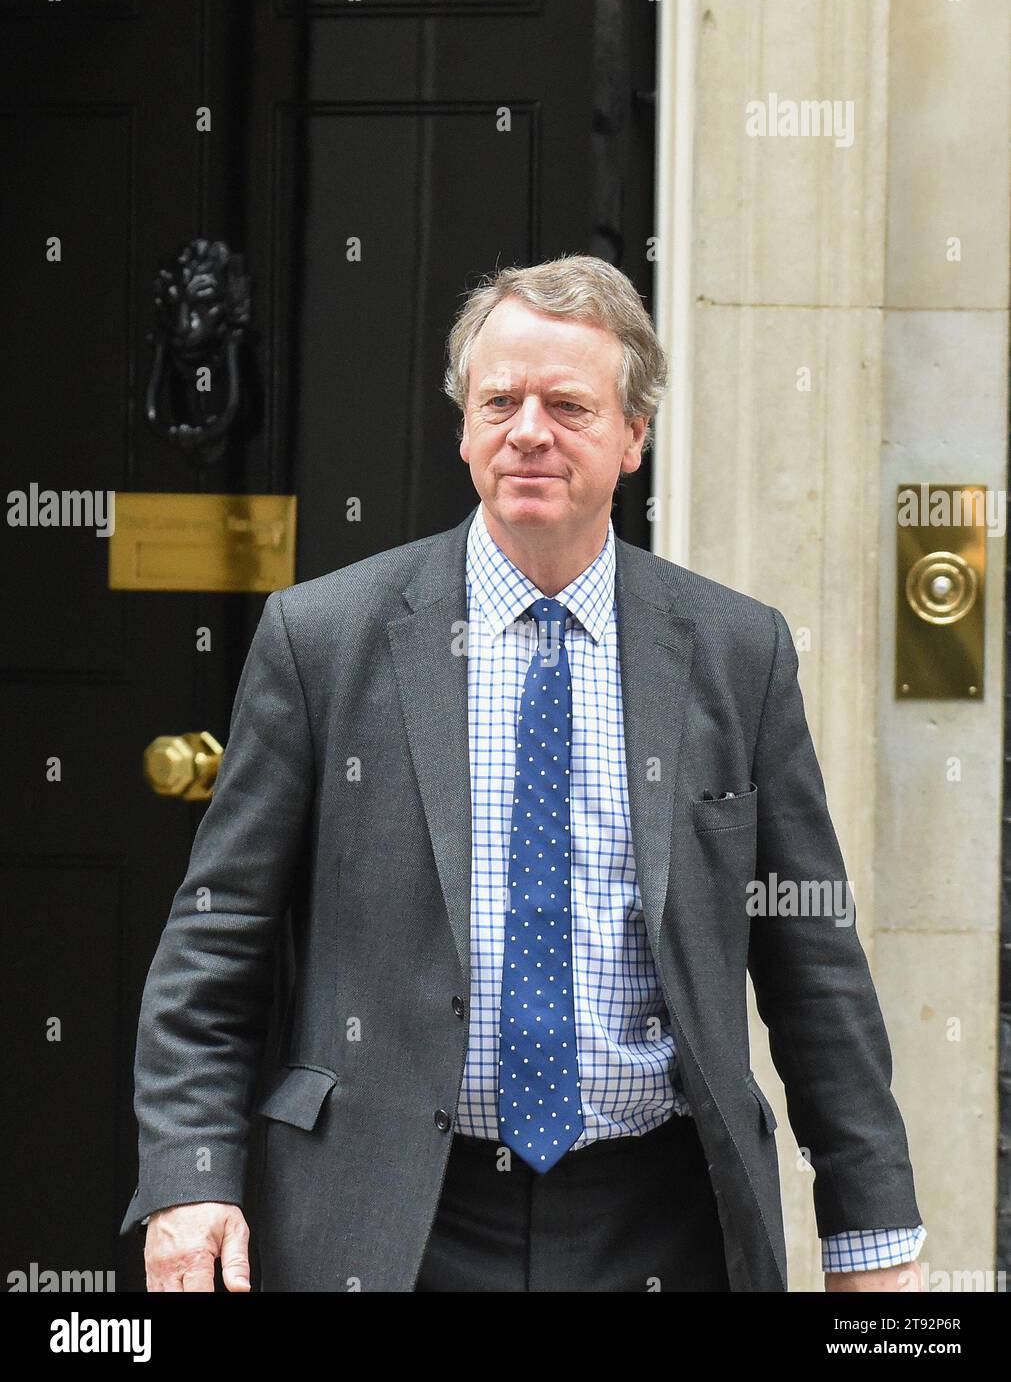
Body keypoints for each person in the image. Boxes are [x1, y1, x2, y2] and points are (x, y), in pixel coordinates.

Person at [121, 254, 925, 1292]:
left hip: (663, 1218)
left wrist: (871, 1238)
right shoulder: (322, 639)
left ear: (635, 435)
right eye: (499, 400)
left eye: (568, 404)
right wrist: (191, 1177)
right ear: (464, 428)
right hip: (393, 1220)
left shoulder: (736, 651)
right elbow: (217, 937)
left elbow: (812, 960)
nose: (529, 430)